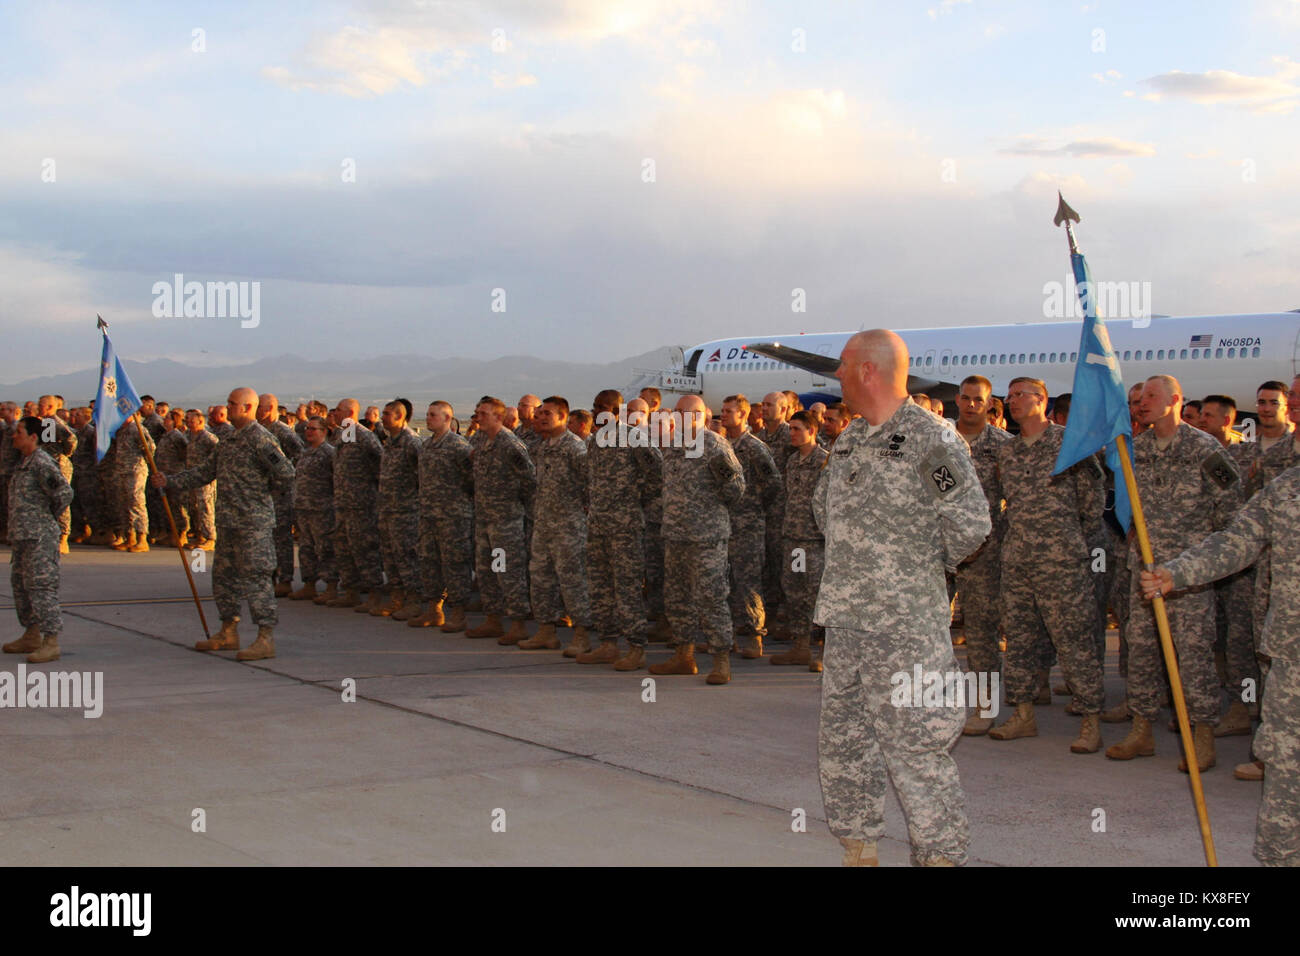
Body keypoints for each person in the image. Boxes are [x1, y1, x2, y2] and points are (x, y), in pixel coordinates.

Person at [814, 330, 990, 867]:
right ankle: (859, 845)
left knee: (916, 744)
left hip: (904, 625)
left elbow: (969, 523)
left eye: (843, 365)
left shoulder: (930, 439)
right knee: (846, 739)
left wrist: (911, 574)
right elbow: (825, 511)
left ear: (869, 370)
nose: (837, 376)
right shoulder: (850, 438)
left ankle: (939, 857)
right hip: (846, 620)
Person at [1140, 463, 1300, 866]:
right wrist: (1176, 573)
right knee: (1286, 771)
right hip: (1293, 661)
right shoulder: (1288, 488)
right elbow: (1237, 540)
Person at [1105, 376, 1241, 771]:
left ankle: (1201, 734)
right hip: (1144, 570)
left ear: (1175, 400)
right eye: (1140, 398)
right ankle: (1142, 729)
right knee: (1143, 649)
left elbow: (1231, 509)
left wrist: (1203, 553)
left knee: (1193, 654)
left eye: (1151, 396)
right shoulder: (1136, 450)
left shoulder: (1205, 449)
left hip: (1187, 574)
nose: (1142, 403)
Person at [988, 377, 1106, 753]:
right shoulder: (1007, 451)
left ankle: (1090, 720)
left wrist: (1067, 540)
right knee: (1019, 639)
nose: (1012, 401)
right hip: (1019, 557)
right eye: (1009, 396)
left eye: (1020, 395)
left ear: (1041, 400)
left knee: (1074, 640)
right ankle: (1022, 714)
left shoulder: (1070, 444)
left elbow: (1092, 503)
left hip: (1061, 559)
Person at [154, 388, 295, 661]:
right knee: (224, 578)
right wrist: (170, 481)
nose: (227, 408)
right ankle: (228, 631)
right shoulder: (228, 440)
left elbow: (286, 474)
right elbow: (206, 472)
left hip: (253, 523)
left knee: (256, 578)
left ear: (248, 408)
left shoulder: (262, 439)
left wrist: (259, 496)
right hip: (228, 523)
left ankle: (265, 638)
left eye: (232, 404)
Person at [649, 395, 745, 684]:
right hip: (676, 535)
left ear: (700, 416)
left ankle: (720, 660)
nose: (676, 417)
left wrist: (709, 512)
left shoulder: (714, 445)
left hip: (706, 537)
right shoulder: (673, 446)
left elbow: (736, 488)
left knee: (711, 597)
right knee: (677, 598)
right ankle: (684, 656)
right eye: (675, 412)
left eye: (683, 412)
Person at [579, 390, 662, 669]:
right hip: (599, 525)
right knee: (600, 587)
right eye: (594, 407)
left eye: (602, 407)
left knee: (627, 588)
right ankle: (608, 643)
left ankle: (636, 648)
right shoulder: (594, 442)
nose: (596, 412)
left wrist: (636, 499)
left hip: (625, 527)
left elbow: (657, 474)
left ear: (617, 411)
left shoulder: (633, 437)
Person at [951, 375, 1012, 735]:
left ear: (989, 404)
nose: (972, 404)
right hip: (938, 551)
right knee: (925, 631)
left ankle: (985, 706)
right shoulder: (939, 440)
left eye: (979, 399)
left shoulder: (1004, 446)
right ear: (957, 400)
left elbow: (1018, 500)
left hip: (984, 554)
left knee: (980, 634)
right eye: (967, 398)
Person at [517, 396, 592, 654]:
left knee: (572, 581)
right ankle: (546, 631)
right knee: (540, 579)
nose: (539, 418)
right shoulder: (543, 446)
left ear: (562, 416)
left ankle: (581, 635)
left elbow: (589, 486)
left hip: (569, 527)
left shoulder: (575, 448)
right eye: (538, 414)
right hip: (544, 523)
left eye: (546, 413)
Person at [2, 417, 74, 663]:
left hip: (40, 536)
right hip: (23, 537)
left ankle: (51, 641)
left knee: (42, 588)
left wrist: (45, 518)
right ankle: (31, 634)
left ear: (33, 437)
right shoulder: (24, 463)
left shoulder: (42, 462)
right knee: (21, 587)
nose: (14, 436)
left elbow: (64, 493)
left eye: (19, 432)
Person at [465, 397, 535, 642]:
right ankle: (492, 619)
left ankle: (518, 624)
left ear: (498, 416)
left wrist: (518, 509)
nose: (478, 417)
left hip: (506, 521)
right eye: (477, 412)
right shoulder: (481, 440)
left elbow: (530, 481)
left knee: (508, 572)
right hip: (484, 518)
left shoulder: (510, 444)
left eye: (483, 413)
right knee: (486, 571)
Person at [410, 401, 474, 631]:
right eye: (427, 415)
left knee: (455, 564)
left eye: (432, 415)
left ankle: (458, 613)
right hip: (428, 515)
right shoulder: (425, 446)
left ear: (447, 418)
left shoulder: (459, 446)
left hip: (453, 517)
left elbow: (471, 480)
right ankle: (434, 609)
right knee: (429, 562)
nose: (427, 419)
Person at [770, 410, 827, 669]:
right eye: (790, 428)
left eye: (797, 429)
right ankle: (801, 647)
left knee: (817, 595)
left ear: (811, 431)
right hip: (793, 540)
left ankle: (824, 652)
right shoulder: (792, 461)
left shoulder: (825, 462)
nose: (792, 433)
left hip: (815, 541)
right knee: (794, 593)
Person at [291, 417, 337, 603]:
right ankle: (309, 585)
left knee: (325, 548)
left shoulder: (329, 453)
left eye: (314, 429)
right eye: (307, 428)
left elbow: (337, 479)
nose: (309, 432)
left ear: (324, 432)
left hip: (322, 509)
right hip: (304, 509)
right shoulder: (305, 453)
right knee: (306, 549)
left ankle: (331, 586)